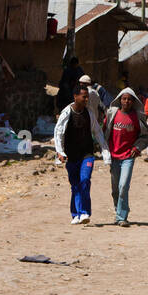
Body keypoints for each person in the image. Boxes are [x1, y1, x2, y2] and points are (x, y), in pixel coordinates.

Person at [53, 83, 111, 225]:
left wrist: (105, 151)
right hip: (71, 155)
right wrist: (60, 152)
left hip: (87, 154)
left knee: (84, 180)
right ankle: (75, 214)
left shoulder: (89, 113)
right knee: (75, 185)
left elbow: (97, 132)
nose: (86, 100)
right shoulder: (67, 113)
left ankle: (84, 212)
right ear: (75, 96)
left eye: (87, 97)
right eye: (84, 97)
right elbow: (58, 133)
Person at [106, 87, 148, 226]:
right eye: (124, 99)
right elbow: (104, 131)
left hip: (128, 157)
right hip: (114, 156)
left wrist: (137, 148)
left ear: (133, 101)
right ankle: (118, 210)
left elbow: (145, 136)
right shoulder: (112, 114)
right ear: (120, 100)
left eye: (129, 99)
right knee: (115, 189)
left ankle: (122, 217)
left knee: (124, 185)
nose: (126, 101)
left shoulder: (137, 117)